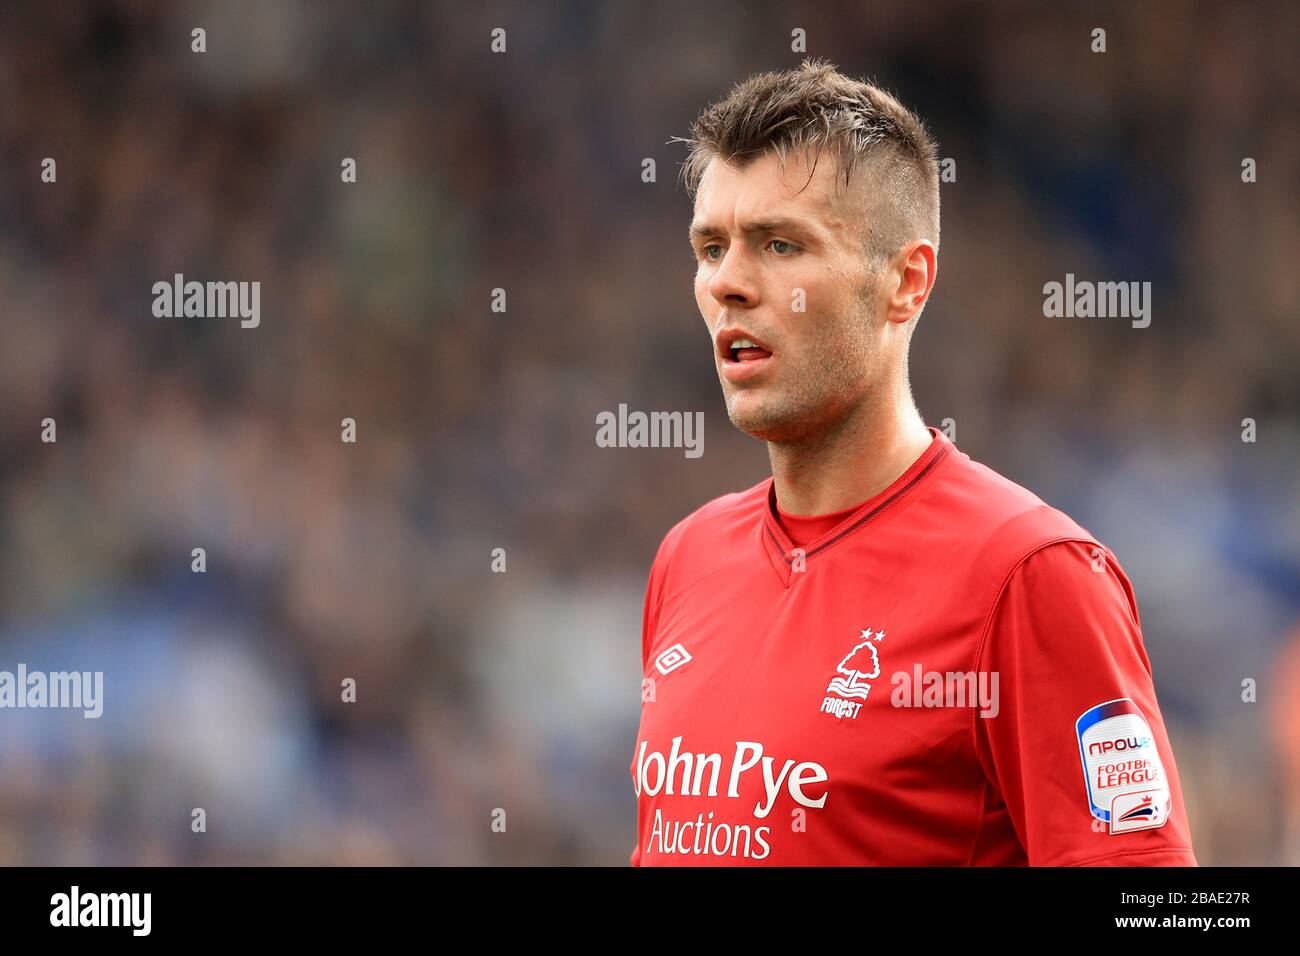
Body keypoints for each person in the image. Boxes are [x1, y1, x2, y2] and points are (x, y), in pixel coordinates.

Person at [628, 58, 1197, 866]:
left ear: (906, 282)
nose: (728, 284)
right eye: (711, 247)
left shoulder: (1029, 575)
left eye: (781, 245)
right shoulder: (687, 561)